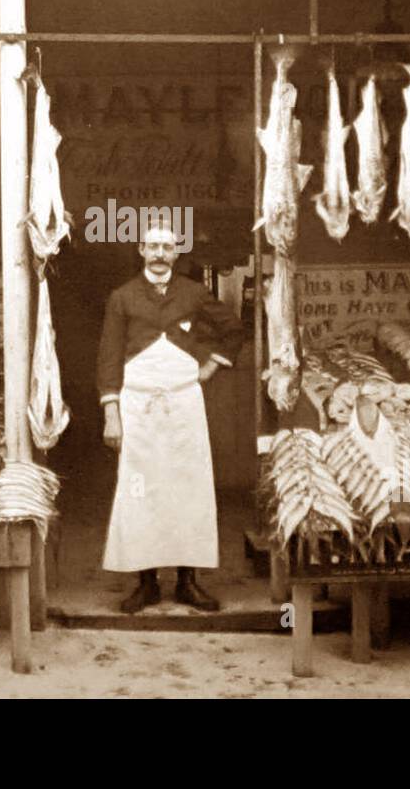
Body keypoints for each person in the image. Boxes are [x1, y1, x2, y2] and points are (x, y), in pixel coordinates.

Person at [96, 222, 245, 613]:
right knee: (140, 490)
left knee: (188, 488)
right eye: (153, 246)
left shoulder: (194, 294)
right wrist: (112, 413)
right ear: (142, 250)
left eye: (167, 247)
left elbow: (233, 328)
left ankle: (187, 582)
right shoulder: (122, 297)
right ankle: (145, 583)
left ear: (177, 253)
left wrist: (211, 366)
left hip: (183, 405)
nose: (160, 253)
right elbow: (109, 355)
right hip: (138, 406)